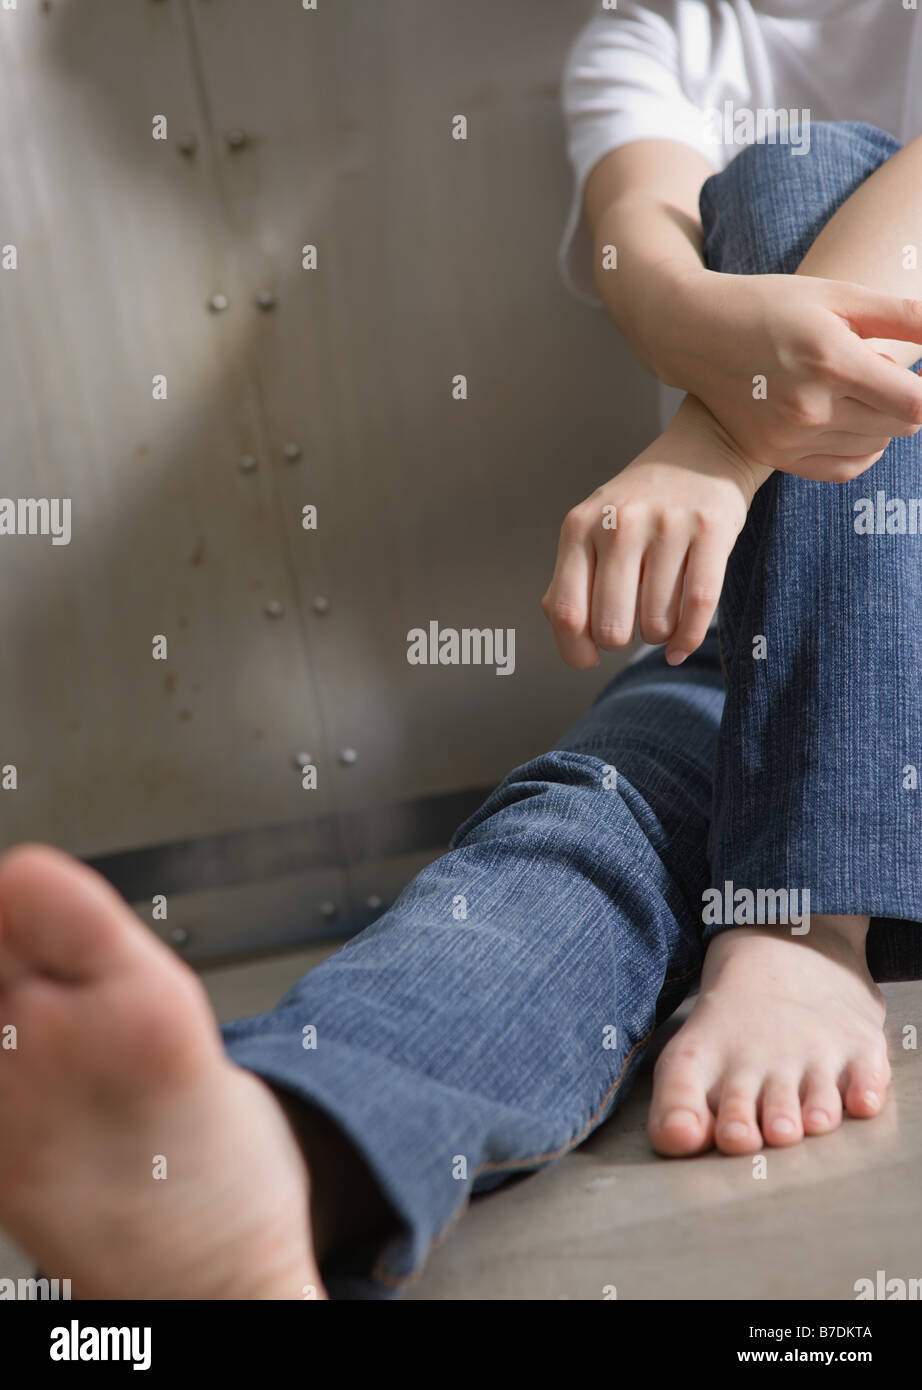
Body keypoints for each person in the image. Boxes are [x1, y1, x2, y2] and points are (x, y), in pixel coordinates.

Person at [1, 2, 921, 1301]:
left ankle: (801, 915)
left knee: (798, 175)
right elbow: (649, 278)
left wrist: (708, 457)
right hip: (752, 660)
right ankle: (289, 1146)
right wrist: (718, 406)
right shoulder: (645, 42)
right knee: (578, 826)